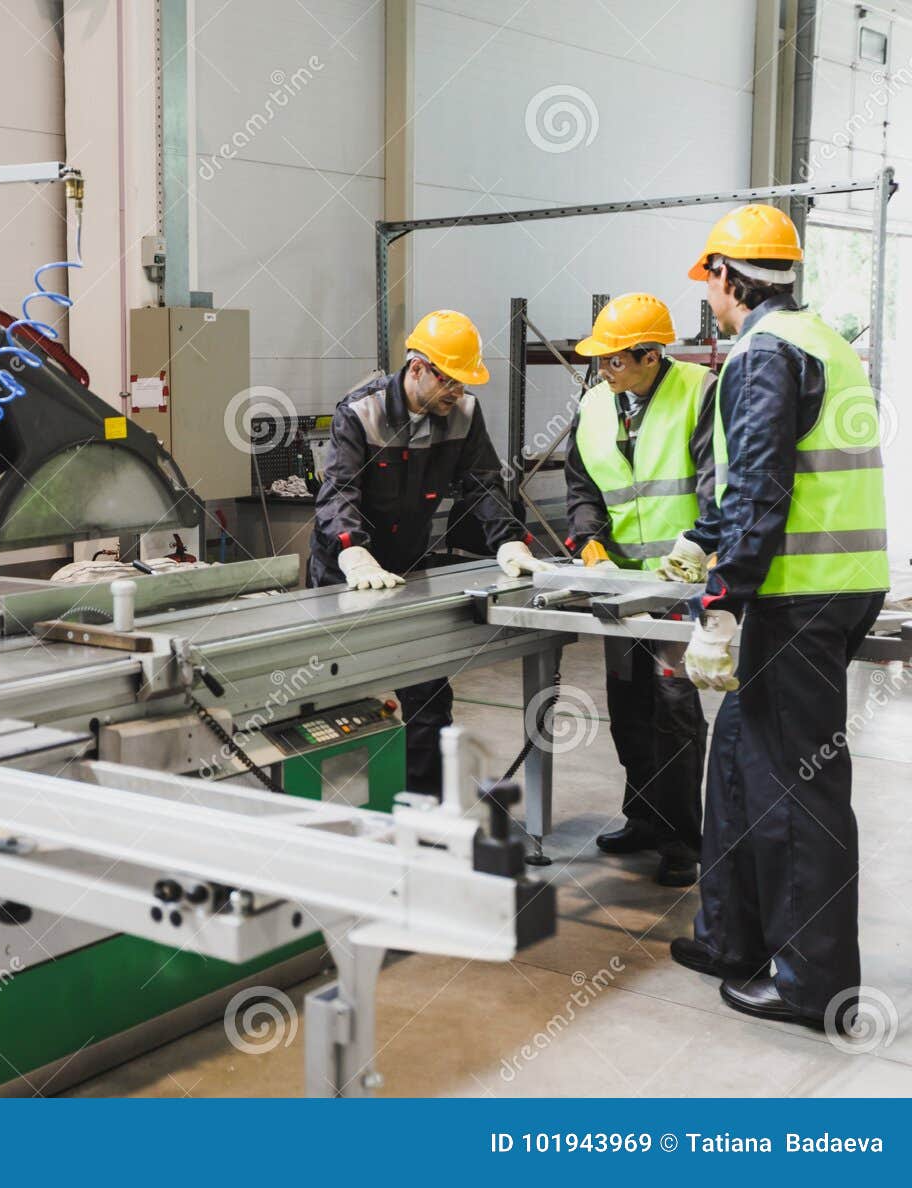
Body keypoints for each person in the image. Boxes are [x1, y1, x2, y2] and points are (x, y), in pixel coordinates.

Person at [670, 203, 888, 1032]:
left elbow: (763, 484)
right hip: (835, 578)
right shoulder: (820, 337)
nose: (711, 298)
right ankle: (734, 936)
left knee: (797, 787)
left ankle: (811, 985)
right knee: (737, 759)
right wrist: (703, 540)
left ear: (727, 278)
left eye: (710, 283)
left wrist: (721, 603)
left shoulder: (764, 351)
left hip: (799, 591)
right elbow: (765, 478)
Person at [310, 309, 543, 796]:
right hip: (345, 570)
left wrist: (508, 539)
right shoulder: (361, 412)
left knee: (427, 693)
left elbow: (483, 484)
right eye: (451, 382)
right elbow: (339, 492)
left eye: (463, 383)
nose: (458, 393)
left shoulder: (463, 412)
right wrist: (353, 552)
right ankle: (333, 807)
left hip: (408, 571)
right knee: (327, 697)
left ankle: (427, 805)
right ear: (417, 368)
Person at [566, 293, 714, 887]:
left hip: (681, 584)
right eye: (600, 361)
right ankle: (646, 818)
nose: (604, 371)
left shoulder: (701, 393)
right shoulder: (597, 403)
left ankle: (682, 838)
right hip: (621, 586)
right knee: (628, 703)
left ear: (651, 356)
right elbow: (582, 486)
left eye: (615, 361)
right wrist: (587, 543)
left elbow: (716, 482)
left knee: (674, 704)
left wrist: (698, 551)